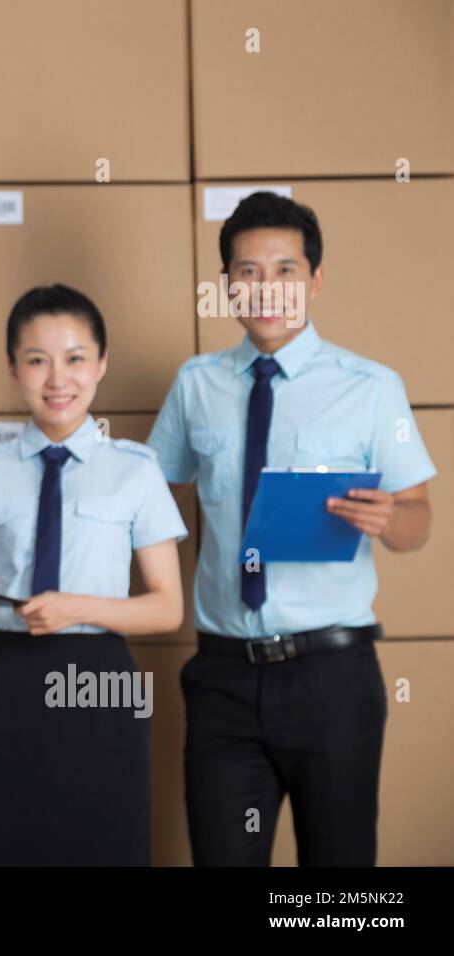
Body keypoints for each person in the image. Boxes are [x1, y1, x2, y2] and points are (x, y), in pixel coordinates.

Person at [148, 190, 437, 866]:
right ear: (227, 287)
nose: (267, 289)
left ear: (315, 280)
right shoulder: (197, 385)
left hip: (331, 676)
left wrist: (391, 518)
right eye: (248, 272)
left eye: (285, 270)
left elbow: (419, 517)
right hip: (222, 677)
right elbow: (149, 503)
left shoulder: (370, 387)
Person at [0, 284, 186, 866]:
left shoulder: (137, 470)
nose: (57, 379)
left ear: (101, 364)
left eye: (74, 359)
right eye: (37, 360)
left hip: (102, 681)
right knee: (5, 846)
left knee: (105, 843)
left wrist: (78, 607)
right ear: (12, 367)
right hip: (6, 678)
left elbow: (168, 607)